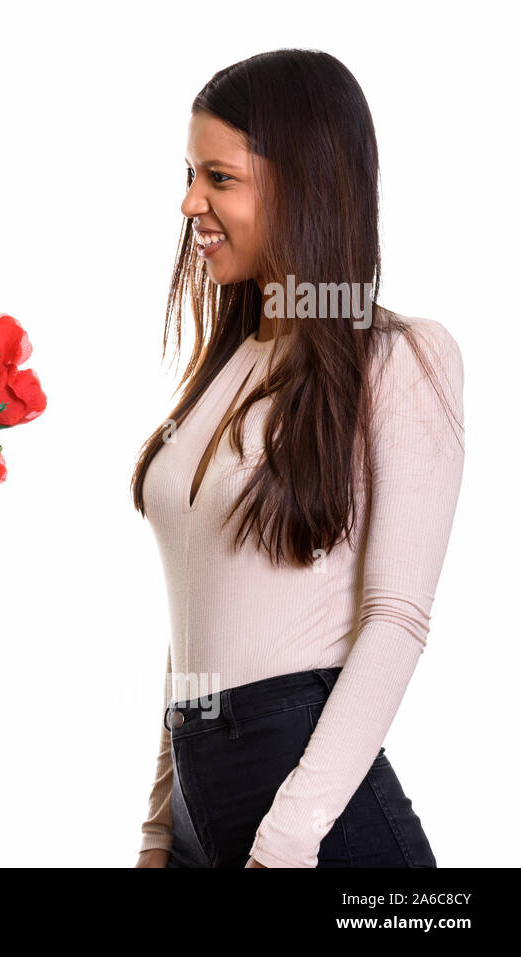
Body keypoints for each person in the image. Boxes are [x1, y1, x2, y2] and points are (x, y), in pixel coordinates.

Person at [129, 51, 465, 868]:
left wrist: (287, 838)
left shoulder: (402, 358)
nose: (189, 203)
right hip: (201, 799)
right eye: (188, 173)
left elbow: (398, 619)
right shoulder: (224, 367)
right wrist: (158, 826)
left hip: (313, 817)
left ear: (304, 181)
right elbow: (197, 613)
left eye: (219, 177)